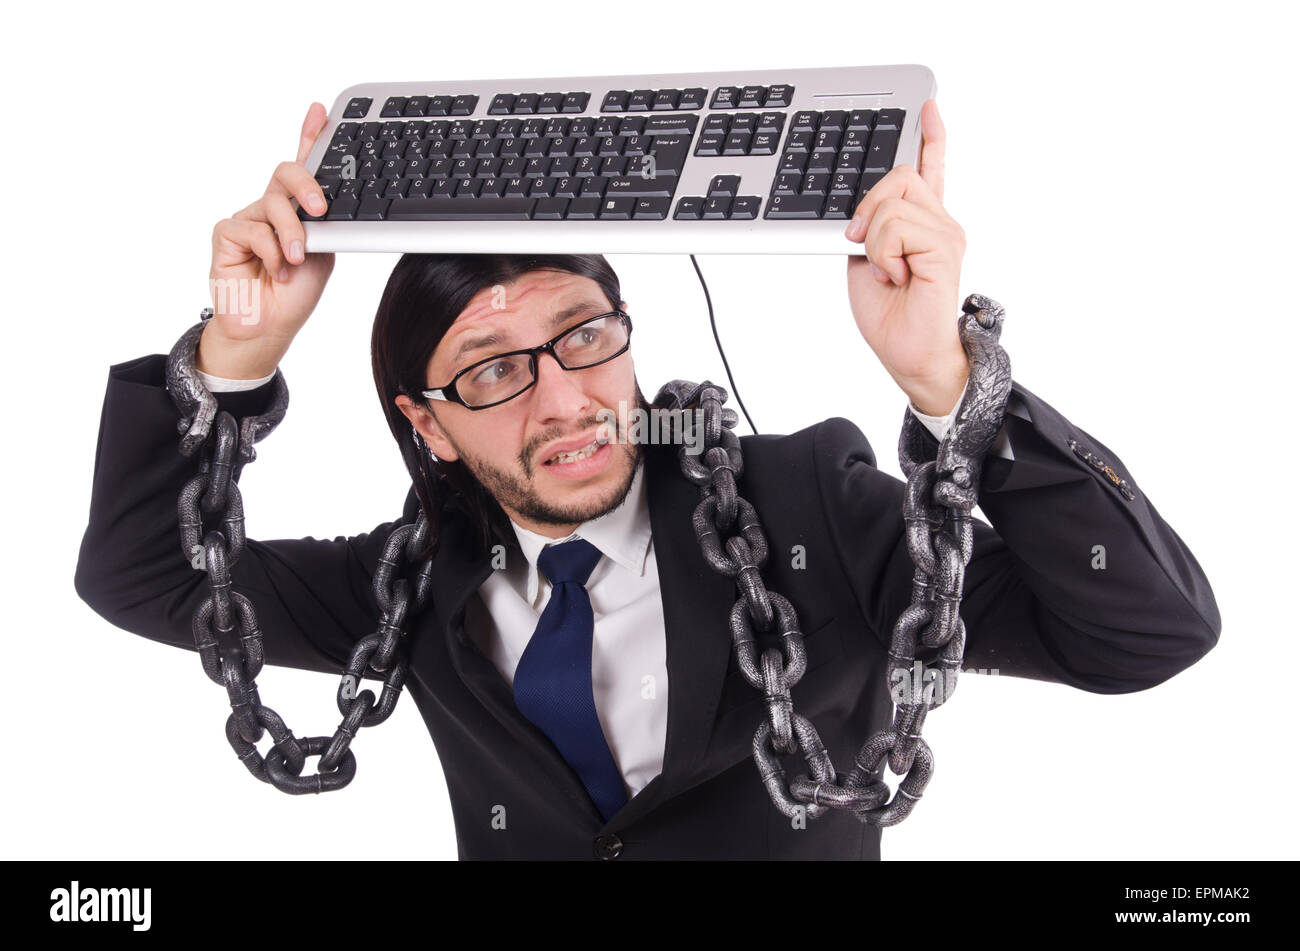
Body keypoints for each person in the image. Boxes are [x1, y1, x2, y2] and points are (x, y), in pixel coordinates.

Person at [74, 99, 1221, 860]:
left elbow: (1142, 635)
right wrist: (236, 352)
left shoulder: (807, 506)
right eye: (491, 373)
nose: (566, 398)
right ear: (426, 429)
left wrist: (948, 381)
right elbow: (138, 577)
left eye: (584, 336)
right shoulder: (409, 580)